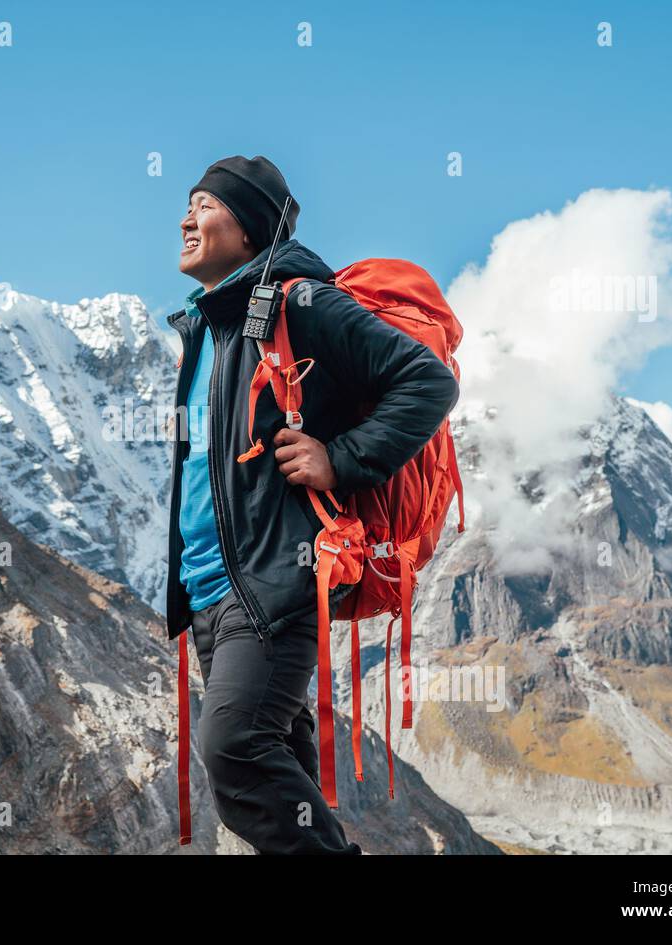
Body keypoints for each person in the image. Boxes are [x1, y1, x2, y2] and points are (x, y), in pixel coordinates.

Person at [167, 155, 460, 854]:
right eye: (187, 202)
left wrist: (341, 457)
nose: (185, 218)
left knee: (235, 746)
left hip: (273, 584)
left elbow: (425, 382)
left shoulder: (298, 302)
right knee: (276, 764)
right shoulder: (210, 329)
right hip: (212, 594)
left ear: (249, 232)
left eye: (205, 204)